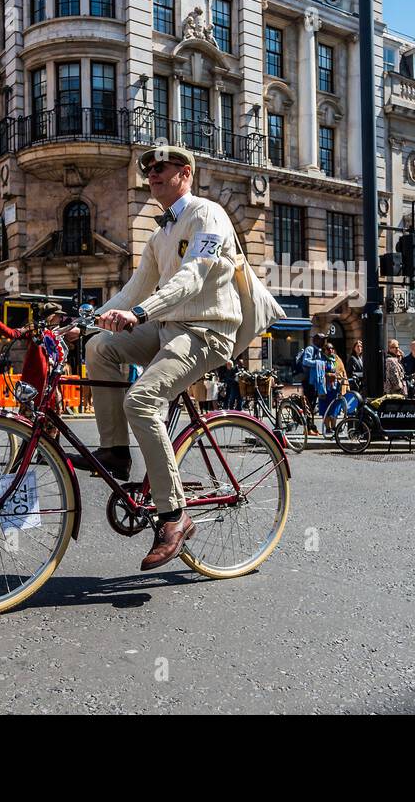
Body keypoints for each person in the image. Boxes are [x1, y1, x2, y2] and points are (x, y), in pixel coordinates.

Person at [81, 144, 281, 571]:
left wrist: (138, 314)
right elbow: (134, 288)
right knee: (98, 348)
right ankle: (115, 450)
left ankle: (174, 515)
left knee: (142, 399)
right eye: (149, 169)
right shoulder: (159, 234)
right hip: (168, 328)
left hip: (208, 330)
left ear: (185, 173)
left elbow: (194, 277)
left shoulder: (208, 214)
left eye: (162, 167)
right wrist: (87, 321)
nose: (152, 173)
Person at [0, 302, 68, 394]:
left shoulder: (58, 333)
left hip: (51, 379)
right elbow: (13, 334)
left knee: (54, 406)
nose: (60, 319)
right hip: (35, 379)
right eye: (59, 316)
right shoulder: (35, 329)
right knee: (33, 406)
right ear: (52, 316)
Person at [297, 332, 328, 416]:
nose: (323, 342)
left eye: (324, 340)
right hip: (308, 380)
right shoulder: (310, 349)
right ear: (316, 340)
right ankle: (307, 421)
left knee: (313, 403)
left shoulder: (320, 351)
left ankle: (310, 422)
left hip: (314, 381)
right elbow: (305, 361)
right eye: (322, 340)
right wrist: (319, 363)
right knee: (309, 402)